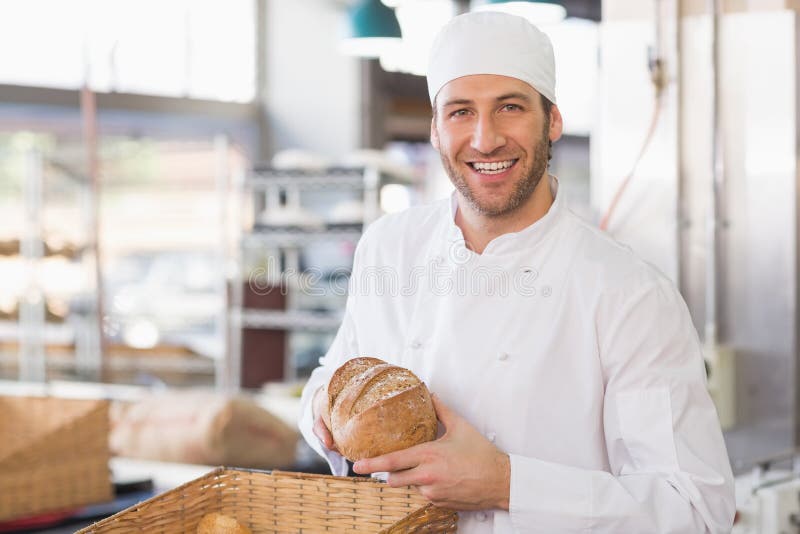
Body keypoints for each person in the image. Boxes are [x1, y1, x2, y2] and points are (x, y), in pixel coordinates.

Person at [298, 11, 735, 533]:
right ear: (435, 129)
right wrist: (323, 410)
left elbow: (695, 510)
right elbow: (336, 378)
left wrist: (506, 483)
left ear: (551, 120)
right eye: (461, 112)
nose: (485, 140)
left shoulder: (628, 293)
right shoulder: (389, 248)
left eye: (509, 107)